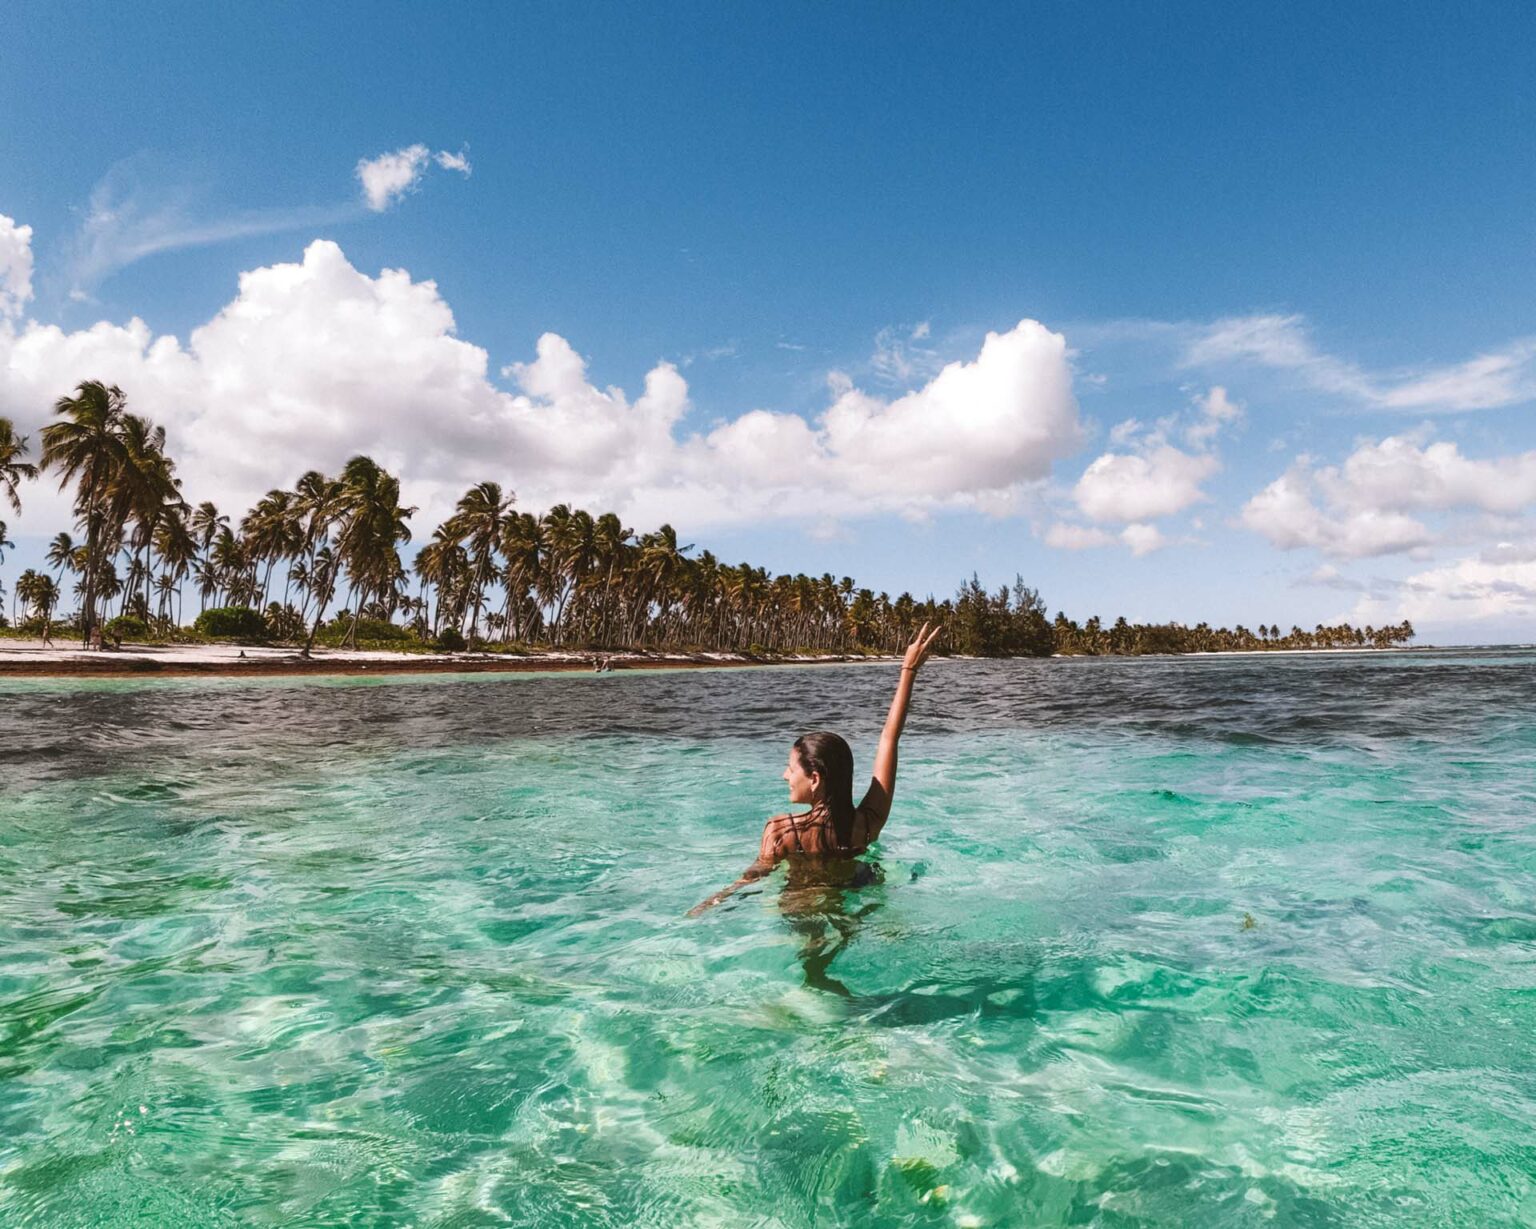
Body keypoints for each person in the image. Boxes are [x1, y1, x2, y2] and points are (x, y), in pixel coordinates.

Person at [689, 622, 943, 916]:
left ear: (814, 778)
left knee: (811, 944)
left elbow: (750, 879)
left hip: (800, 911)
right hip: (851, 907)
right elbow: (889, 738)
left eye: (790, 768)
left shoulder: (781, 833)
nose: (784, 775)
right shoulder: (866, 826)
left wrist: (708, 905)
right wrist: (908, 671)